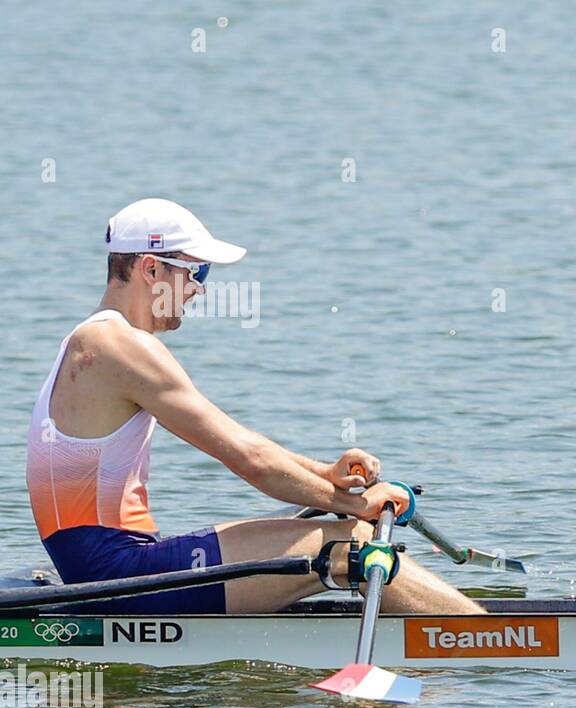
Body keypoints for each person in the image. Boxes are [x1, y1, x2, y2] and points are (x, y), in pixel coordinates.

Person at [25, 198, 481, 614]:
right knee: (355, 545)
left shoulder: (97, 339)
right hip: (116, 578)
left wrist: (324, 475)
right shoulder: (117, 346)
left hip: (119, 563)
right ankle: (491, 640)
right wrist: (357, 507)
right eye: (196, 272)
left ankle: (470, 628)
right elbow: (250, 462)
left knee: (333, 523)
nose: (199, 289)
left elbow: (240, 440)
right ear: (149, 270)